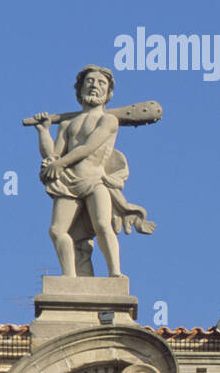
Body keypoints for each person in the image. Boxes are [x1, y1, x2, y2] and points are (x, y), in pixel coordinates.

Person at [31, 66, 154, 277]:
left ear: (109, 94)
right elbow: (53, 155)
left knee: (102, 225)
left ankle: (115, 273)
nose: (94, 86)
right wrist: (43, 132)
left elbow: (88, 147)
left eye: (101, 83)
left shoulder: (108, 120)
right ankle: (70, 278)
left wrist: (59, 164)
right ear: (79, 90)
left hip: (95, 180)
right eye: (89, 81)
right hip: (68, 182)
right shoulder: (67, 124)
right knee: (57, 231)